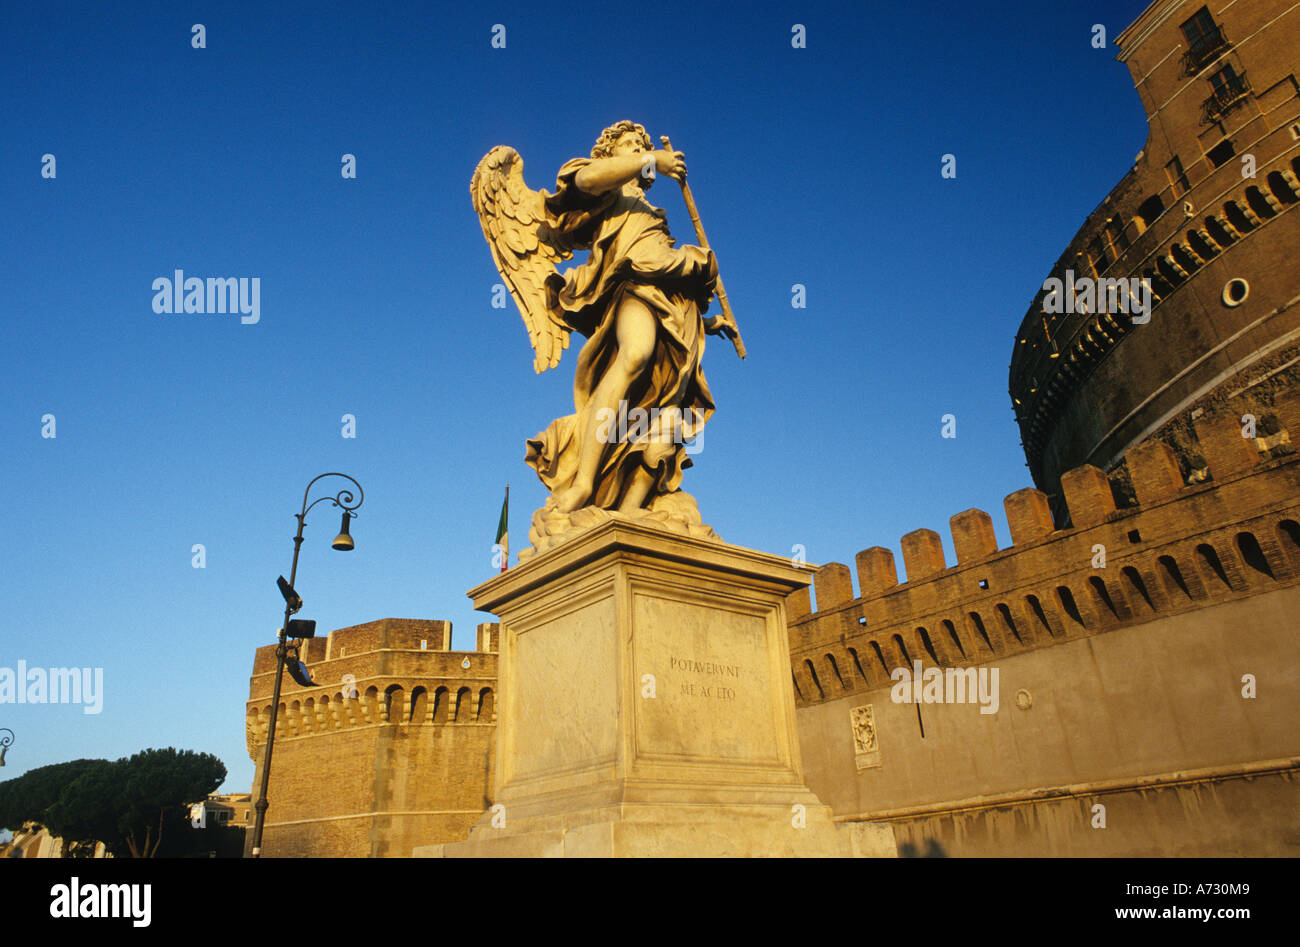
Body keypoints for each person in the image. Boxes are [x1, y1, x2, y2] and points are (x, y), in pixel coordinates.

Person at [526, 121, 729, 516]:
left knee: (667, 415)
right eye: (630, 145)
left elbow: (665, 308)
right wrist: (652, 160)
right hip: (632, 282)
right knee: (634, 354)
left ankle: (631, 510)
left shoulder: (648, 206)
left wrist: (708, 324)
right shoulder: (609, 187)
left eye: (642, 145)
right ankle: (585, 482)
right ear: (610, 152)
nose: (638, 150)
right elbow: (586, 179)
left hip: (672, 300)